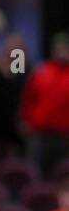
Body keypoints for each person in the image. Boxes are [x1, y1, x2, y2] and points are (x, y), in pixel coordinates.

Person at [19, 32, 69, 176]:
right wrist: (24, 120)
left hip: (64, 137)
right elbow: (28, 99)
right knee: (35, 173)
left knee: (62, 177)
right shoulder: (41, 71)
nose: (62, 52)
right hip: (39, 135)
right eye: (59, 48)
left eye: (66, 49)